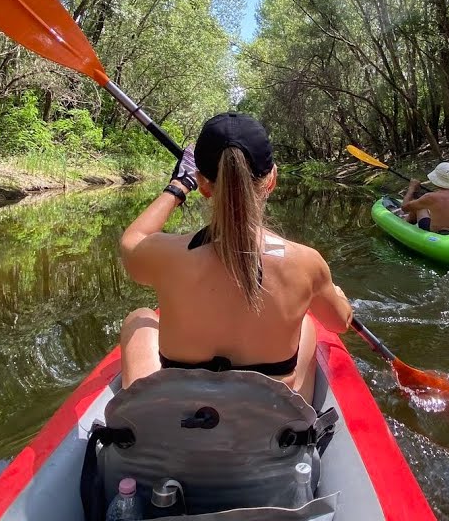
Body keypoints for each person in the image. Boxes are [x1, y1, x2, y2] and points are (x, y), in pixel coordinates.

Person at [117, 112, 354, 402]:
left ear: (203, 185)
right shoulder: (307, 263)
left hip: (179, 418)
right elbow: (339, 324)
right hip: (269, 423)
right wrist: (339, 298)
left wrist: (178, 186)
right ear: (272, 179)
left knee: (139, 317)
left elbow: (131, 241)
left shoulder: (165, 255)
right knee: (306, 323)